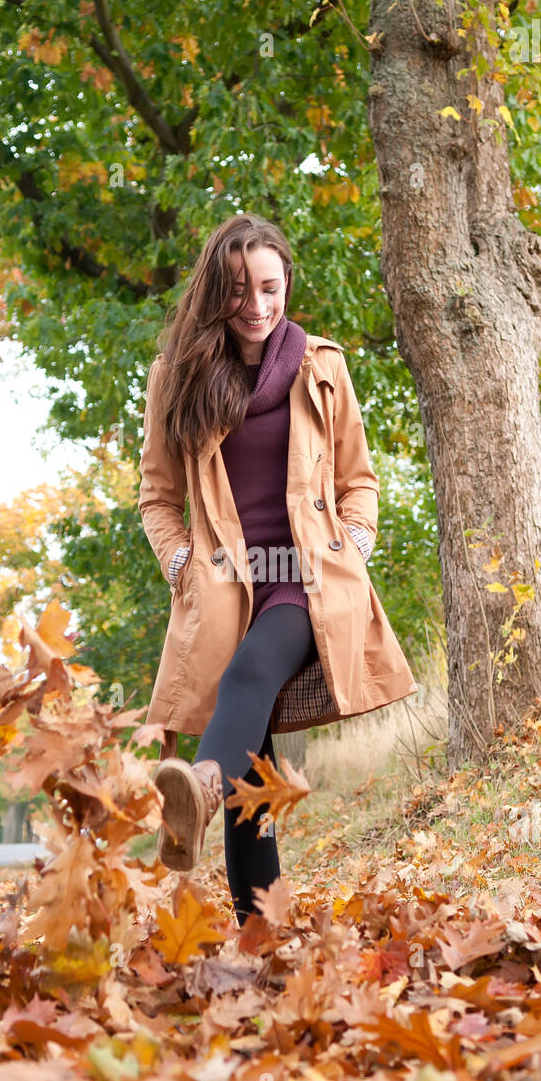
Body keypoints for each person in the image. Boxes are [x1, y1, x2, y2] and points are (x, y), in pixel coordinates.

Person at [138, 213, 417, 925]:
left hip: (305, 576)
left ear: (287, 282)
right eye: (239, 290)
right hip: (225, 583)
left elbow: (359, 479)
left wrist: (354, 545)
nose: (256, 305)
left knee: (249, 674)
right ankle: (258, 933)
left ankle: (198, 788)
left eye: (269, 287)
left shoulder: (322, 366)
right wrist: (179, 562)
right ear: (215, 292)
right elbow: (157, 497)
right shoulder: (175, 377)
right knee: (252, 774)